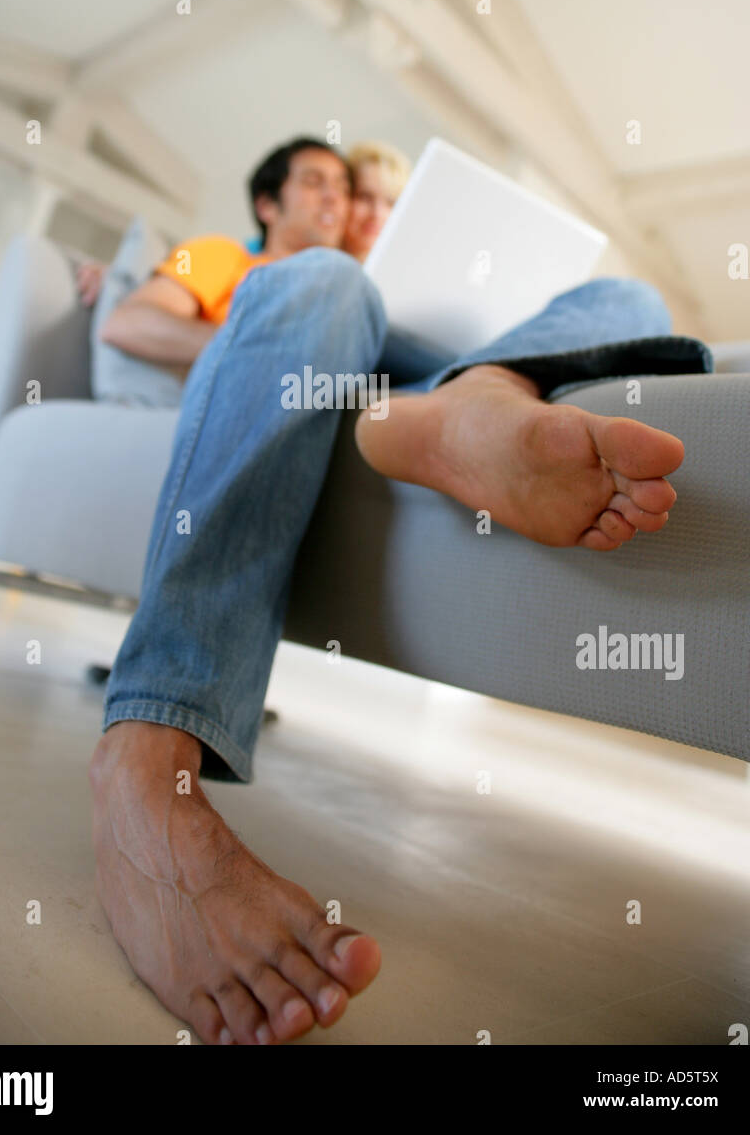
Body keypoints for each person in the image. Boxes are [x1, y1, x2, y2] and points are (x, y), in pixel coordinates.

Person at [87, 135, 711, 1046]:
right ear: (265, 202)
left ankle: (474, 401)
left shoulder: (376, 278)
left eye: (350, 192)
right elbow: (129, 324)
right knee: (320, 285)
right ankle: (144, 773)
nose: (337, 203)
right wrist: (268, 336)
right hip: (291, 353)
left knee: (627, 296)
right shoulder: (222, 257)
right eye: (315, 184)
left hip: (390, 373)